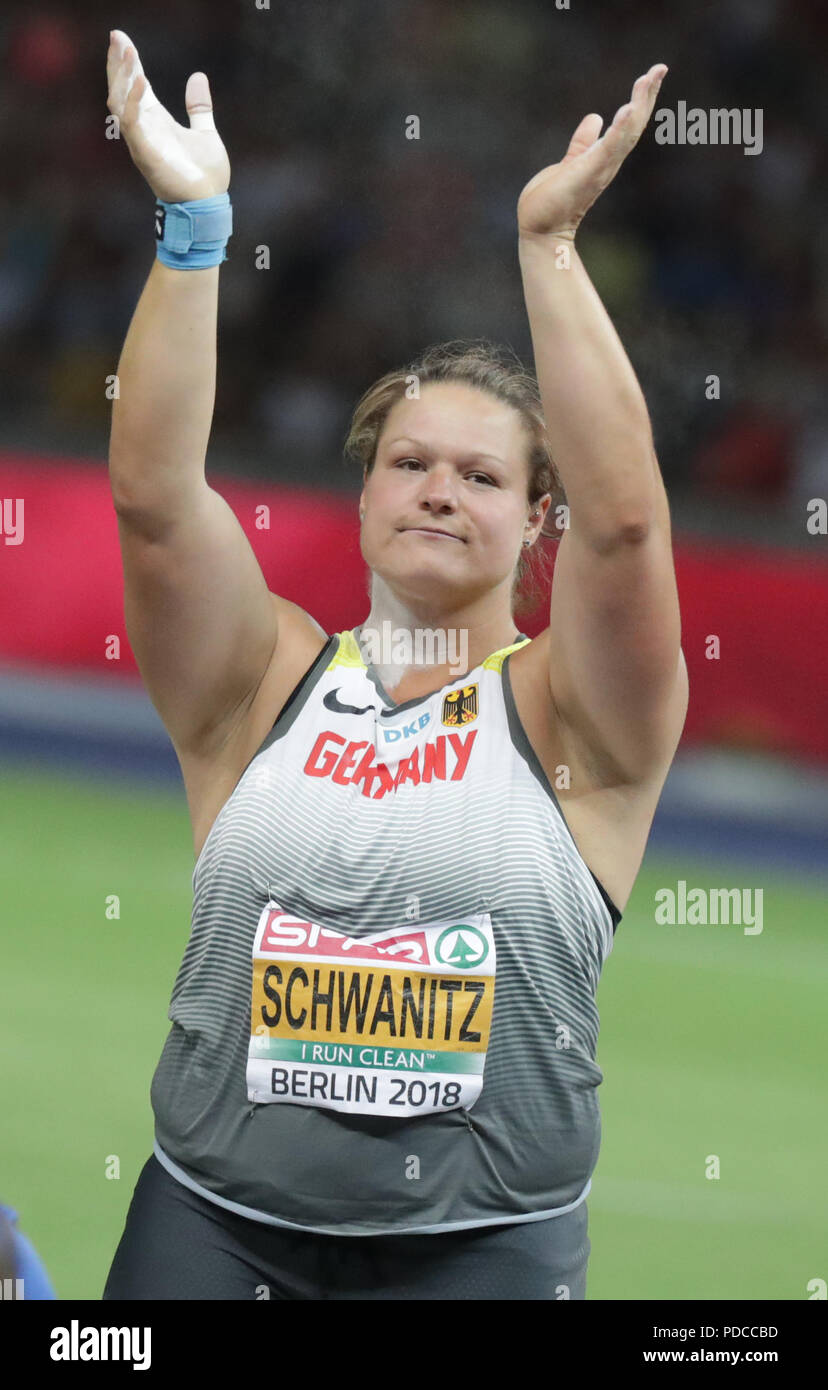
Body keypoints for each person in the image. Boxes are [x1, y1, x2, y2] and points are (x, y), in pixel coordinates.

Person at [101, 29, 686, 1300]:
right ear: (361, 494)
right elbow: (153, 499)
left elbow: (631, 523)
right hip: (214, 1228)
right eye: (408, 462)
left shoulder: (574, 720)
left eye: (484, 476)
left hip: (484, 1249)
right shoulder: (261, 682)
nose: (438, 491)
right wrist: (195, 231)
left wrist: (549, 253)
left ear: (540, 520)